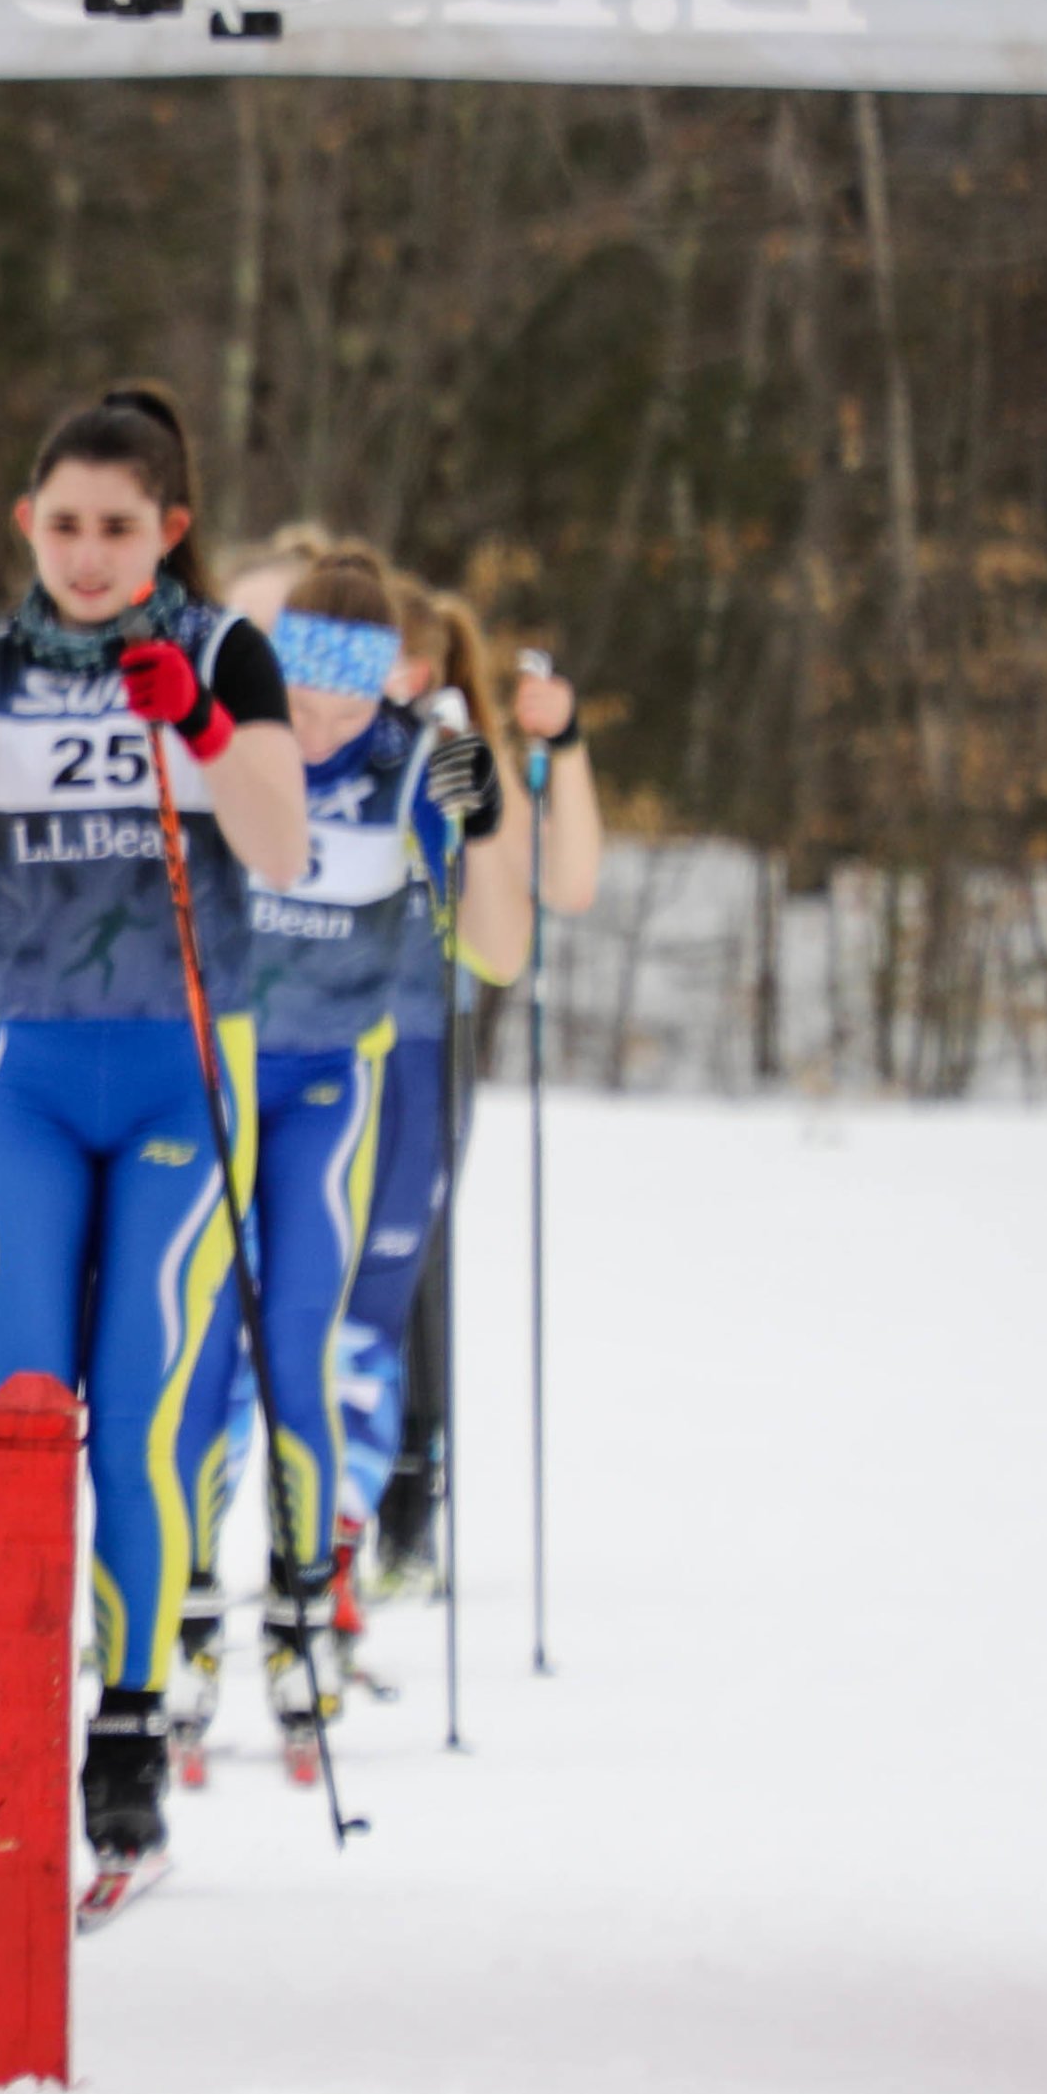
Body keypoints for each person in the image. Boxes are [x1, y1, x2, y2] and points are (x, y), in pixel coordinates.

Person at [0, 386, 311, 1900]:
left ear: (169, 532)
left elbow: (282, 845)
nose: (92, 555)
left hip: (184, 1073)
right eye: (65, 526)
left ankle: (122, 1743)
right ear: (26, 527)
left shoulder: (225, 651)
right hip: (27, 1081)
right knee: (23, 1402)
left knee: (141, 1407)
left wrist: (194, 722)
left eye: (121, 528)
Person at [207, 540, 531, 1776]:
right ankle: (182, 1594)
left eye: (352, 691)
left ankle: (321, 1578)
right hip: (235, 1072)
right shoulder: (239, 747)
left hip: (376, 1073)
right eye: (305, 689)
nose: (326, 716)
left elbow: (500, 950)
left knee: (345, 1337)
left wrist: (487, 818)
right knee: (215, 1346)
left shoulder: (411, 766)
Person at [364, 581, 604, 1597]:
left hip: (426, 1037)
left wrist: (567, 748)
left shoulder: (467, 758)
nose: (400, 681)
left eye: (417, 662)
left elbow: (560, 884)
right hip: (317, 1040)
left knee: (410, 1259)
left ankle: (407, 1501)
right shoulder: (321, 742)